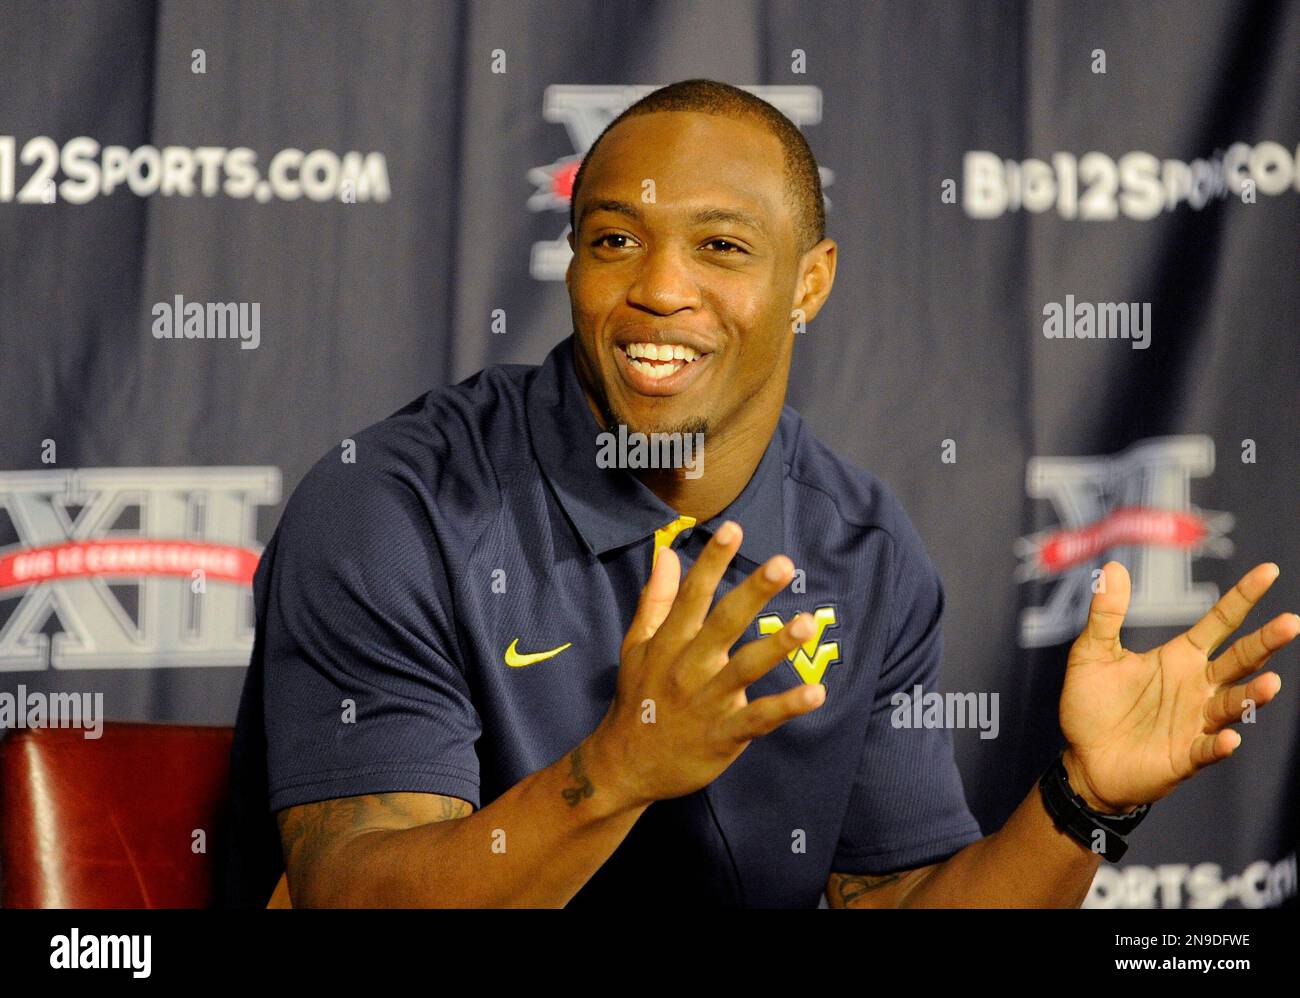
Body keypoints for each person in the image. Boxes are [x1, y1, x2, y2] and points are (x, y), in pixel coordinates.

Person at [221, 79, 1297, 908]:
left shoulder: (863, 547)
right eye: (612, 240)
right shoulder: (391, 506)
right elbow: (350, 895)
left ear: (810, 282)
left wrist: (1082, 803)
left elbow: (898, 900)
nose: (657, 287)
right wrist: (618, 769)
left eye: (721, 247)